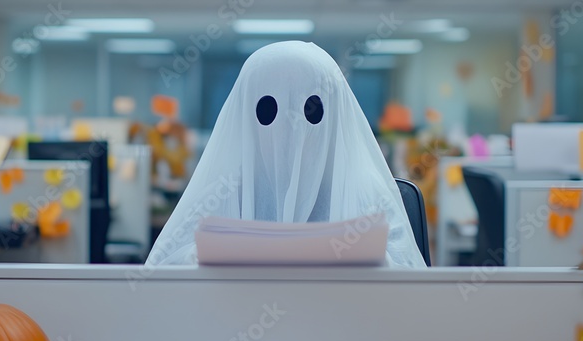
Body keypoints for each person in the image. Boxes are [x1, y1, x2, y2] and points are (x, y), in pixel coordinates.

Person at [147, 41, 426, 267]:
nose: (289, 131)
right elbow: (161, 278)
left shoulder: (367, 193)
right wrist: (196, 261)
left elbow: (410, 285)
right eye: (268, 111)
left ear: (334, 116)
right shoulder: (221, 194)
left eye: (311, 111)